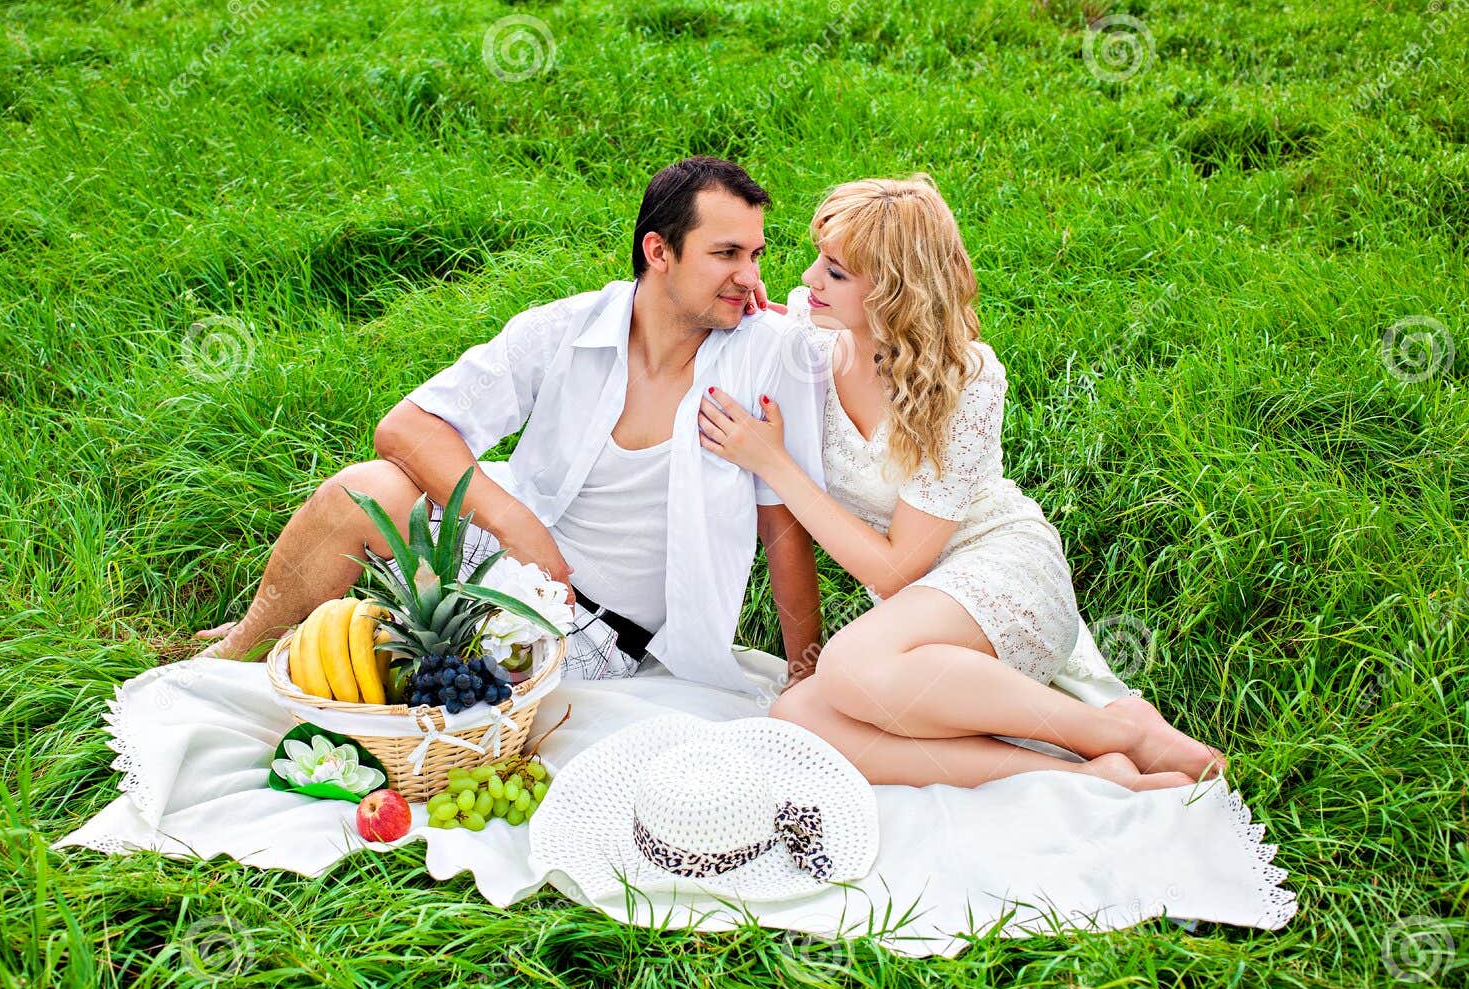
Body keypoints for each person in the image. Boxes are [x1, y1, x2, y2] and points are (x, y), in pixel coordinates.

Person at [197, 156, 828, 694]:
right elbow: (406, 426)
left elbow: (782, 525)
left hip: (590, 629)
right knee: (363, 491)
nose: (748, 277)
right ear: (658, 251)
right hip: (506, 555)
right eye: (726, 254)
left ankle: (338, 654)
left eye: (754, 255)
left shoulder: (764, 355)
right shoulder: (568, 327)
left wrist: (805, 674)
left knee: (429, 678)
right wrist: (516, 525)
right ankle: (244, 648)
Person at [698, 175, 1230, 790]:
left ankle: (1118, 731)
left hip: (1000, 574)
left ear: (894, 292)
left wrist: (775, 465)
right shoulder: (809, 339)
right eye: (819, 257)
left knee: (848, 665)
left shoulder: (964, 378)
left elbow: (896, 572)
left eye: (836, 272)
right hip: (913, 622)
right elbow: (744, 319)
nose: (810, 279)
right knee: (795, 718)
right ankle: (1083, 774)